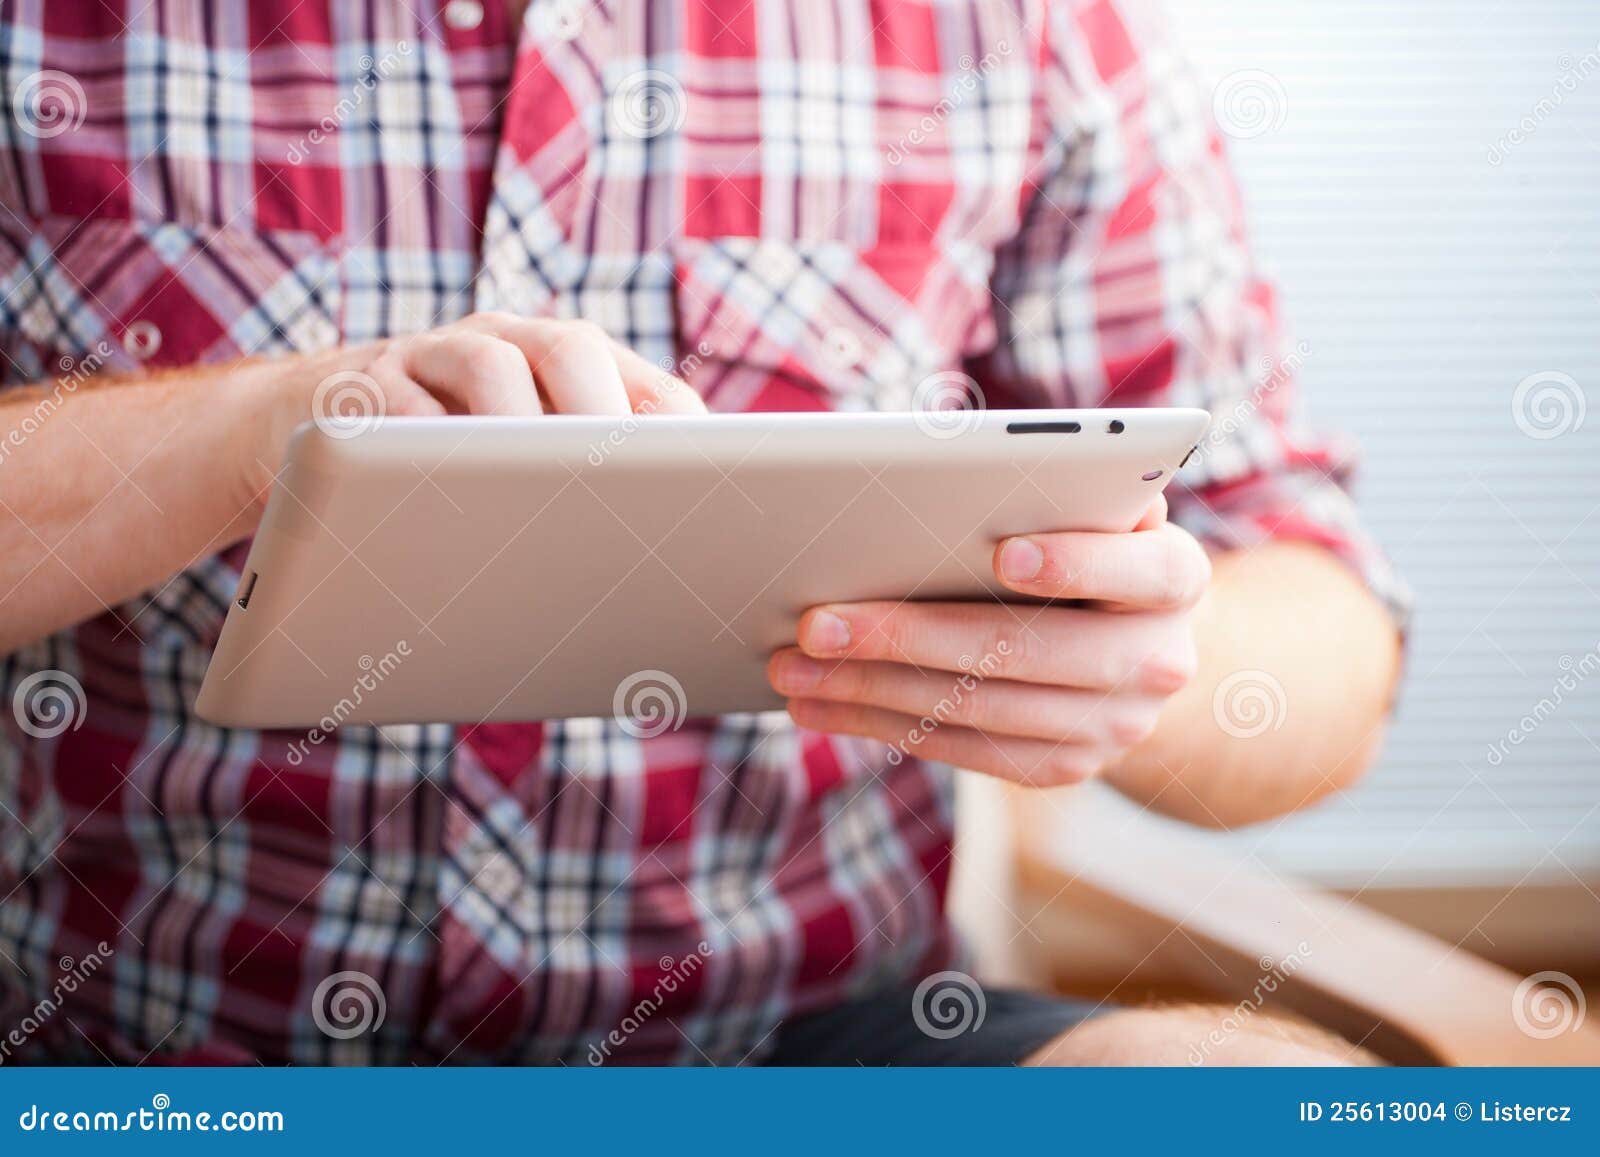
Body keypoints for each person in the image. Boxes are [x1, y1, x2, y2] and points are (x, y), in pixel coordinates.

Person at [0, 0, 1403, 1065]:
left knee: (1250, 1088)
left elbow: (1323, 627)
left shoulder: (1020, 30)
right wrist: (255, 430)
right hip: (132, 1054)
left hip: (819, 1049)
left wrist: (1153, 664)